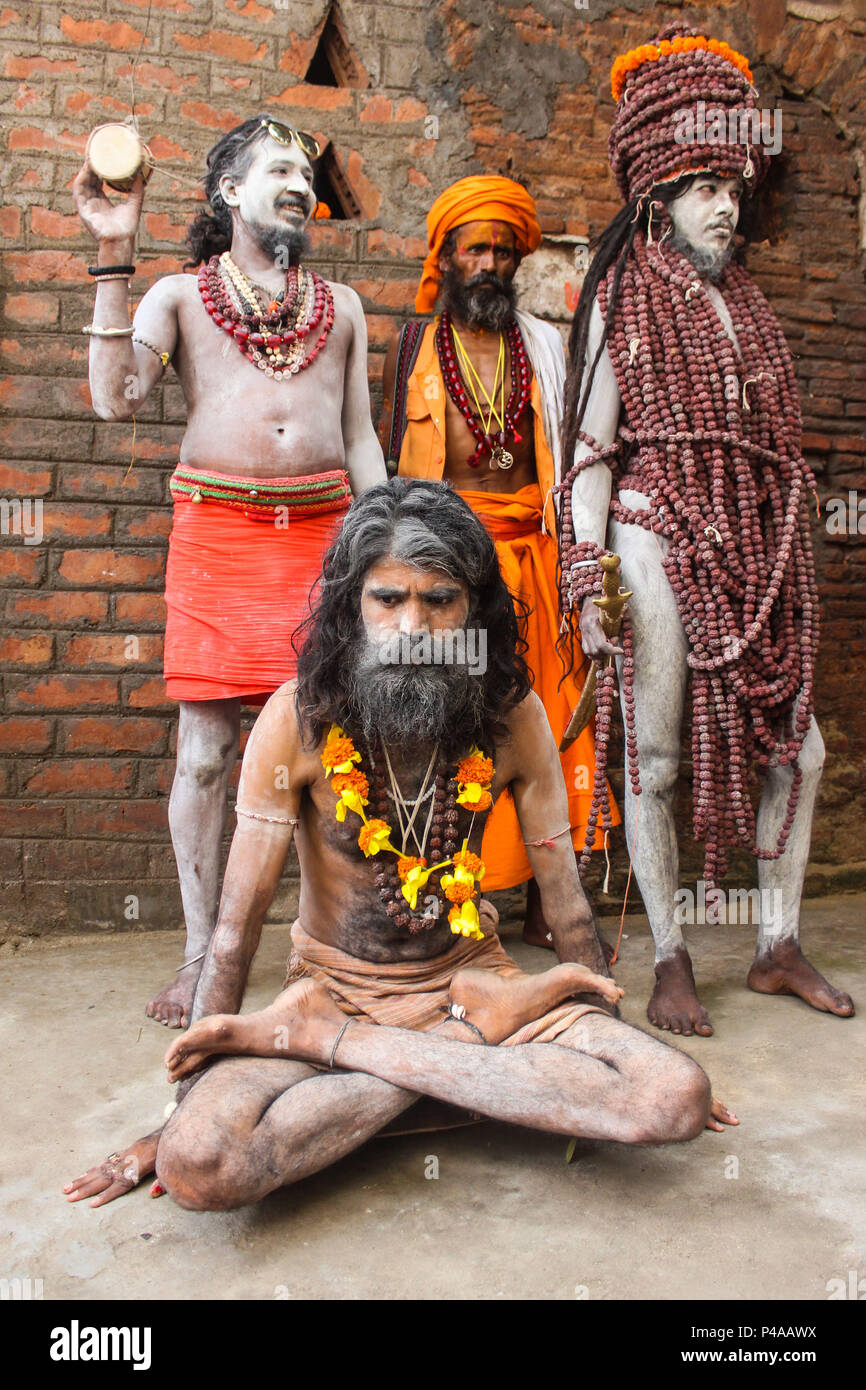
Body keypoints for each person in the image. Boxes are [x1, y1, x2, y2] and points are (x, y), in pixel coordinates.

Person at [63, 480, 735, 1212]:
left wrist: (614, 1047)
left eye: (439, 600)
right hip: (337, 991)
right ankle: (450, 1070)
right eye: (388, 600)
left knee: (673, 1095)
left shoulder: (512, 715)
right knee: (200, 1161)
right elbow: (233, 936)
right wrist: (171, 1121)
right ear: (352, 609)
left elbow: (569, 909)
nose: (412, 625)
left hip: (475, 978)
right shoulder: (300, 722)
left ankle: (359, 1055)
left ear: (474, 607)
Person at [559, 27, 854, 1036]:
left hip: (751, 553)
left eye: (730, 184)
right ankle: (669, 956)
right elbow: (589, 456)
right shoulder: (616, 297)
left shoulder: (751, 308)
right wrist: (585, 578)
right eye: (698, 184)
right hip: (651, 538)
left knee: (799, 752)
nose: (723, 202)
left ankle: (774, 944)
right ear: (653, 194)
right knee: (651, 759)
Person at [72, 114, 386, 1028]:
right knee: (206, 755)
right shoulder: (177, 296)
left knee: (332, 753)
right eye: (277, 169)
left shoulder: (345, 310)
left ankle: (327, 948)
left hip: (326, 543)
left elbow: (362, 437)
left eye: (305, 172)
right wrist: (112, 256)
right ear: (229, 194)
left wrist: (382, 539)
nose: (298, 182)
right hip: (218, 537)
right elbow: (114, 401)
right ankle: (202, 954)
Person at [381, 176, 617, 950]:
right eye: (474, 247)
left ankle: (553, 905)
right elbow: (389, 466)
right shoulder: (413, 348)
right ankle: (451, 893)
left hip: (537, 561)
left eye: (502, 249)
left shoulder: (545, 347)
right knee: (451, 726)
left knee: (550, 726)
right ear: (445, 256)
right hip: (449, 569)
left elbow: (574, 462)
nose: (489, 261)